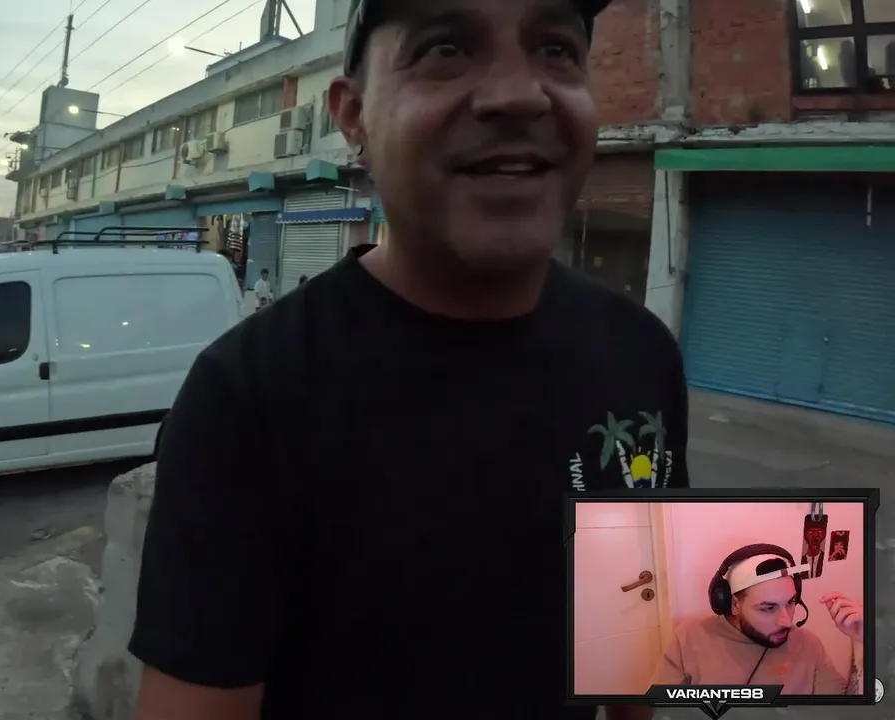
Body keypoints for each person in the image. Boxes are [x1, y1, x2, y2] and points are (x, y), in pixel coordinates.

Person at [130, 0, 689, 717]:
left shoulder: (642, 353)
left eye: (555, 48)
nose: (519, 94)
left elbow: (641, 643)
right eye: (445, 49)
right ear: (353, 114)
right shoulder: (247, 397)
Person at [653, 544, 864, 693]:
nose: (786, 621)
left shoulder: (809, 645)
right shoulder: (689, 639)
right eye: (768, 608)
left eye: (790, 602)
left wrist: (862, 642)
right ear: (733, 604)